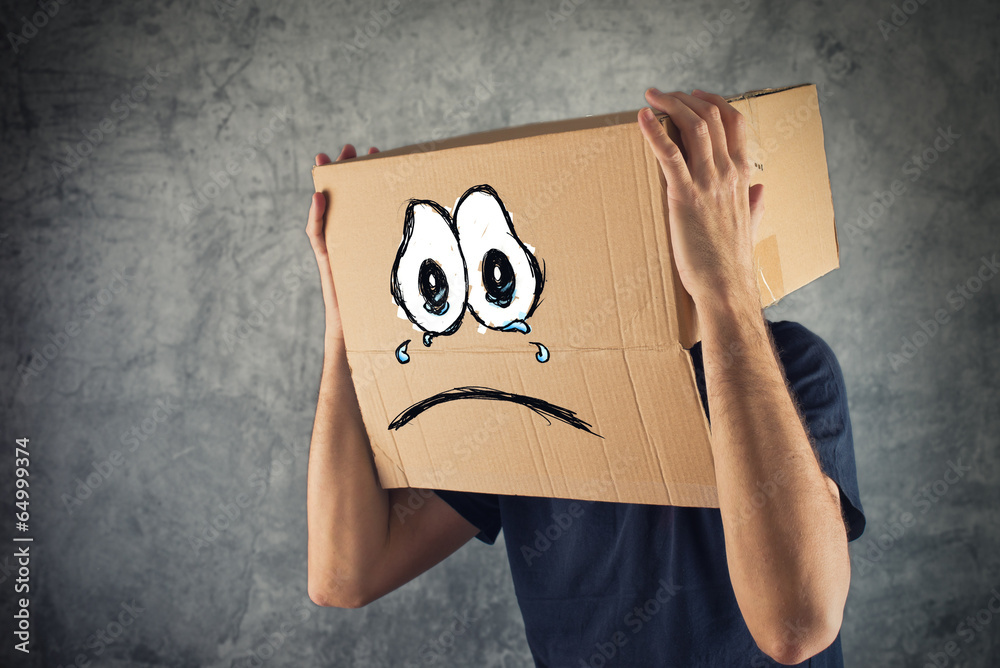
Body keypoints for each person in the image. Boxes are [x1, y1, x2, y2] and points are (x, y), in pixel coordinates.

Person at [304, 89, 865, 667]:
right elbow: (345, 575)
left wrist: (727, 292)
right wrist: (348, 324)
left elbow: (796, 627)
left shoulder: (793, 368)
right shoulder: (522, 388)